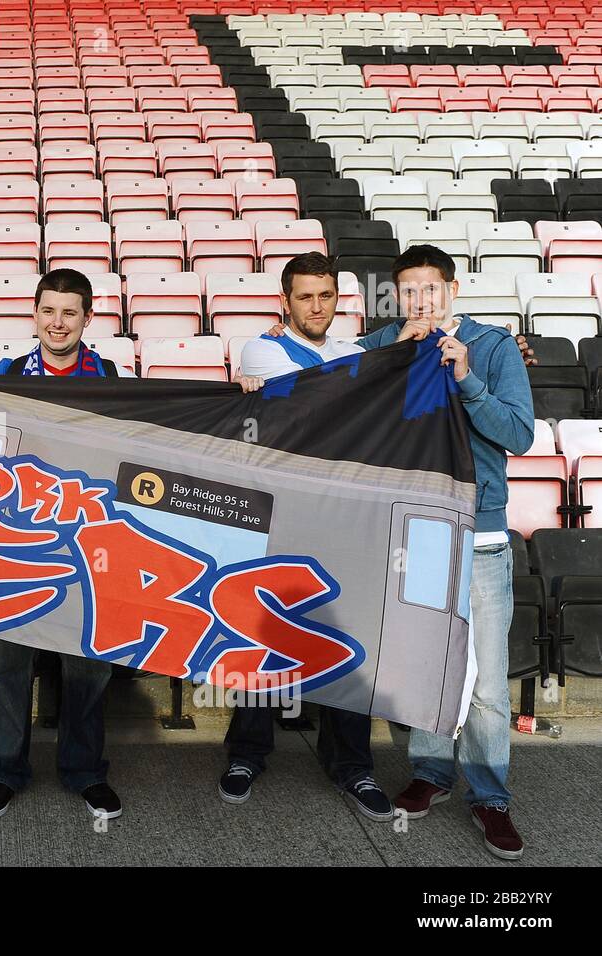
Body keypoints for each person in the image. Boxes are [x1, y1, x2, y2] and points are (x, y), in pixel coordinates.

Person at [358, 244, 533, 860]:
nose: (420, 301)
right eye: (408, 291)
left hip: (481, 536)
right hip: (420, 532)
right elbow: (335, 388)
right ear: (398, 296)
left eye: (430, 289)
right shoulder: (387, 341)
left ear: (452, 291)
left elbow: (519, 432)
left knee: (486, 681)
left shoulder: (492, 346)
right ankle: (431, 774)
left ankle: (490, 796)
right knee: (430, 665)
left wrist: (466, 379)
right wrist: (395, 353)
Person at [222, 253, 394, 821]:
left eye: (325, 297)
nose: (316, 307)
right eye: (305, 297)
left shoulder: (352, 352)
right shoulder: (262, 350)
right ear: (285, 301)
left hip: (346, 512)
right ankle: (248, 751)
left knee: (350, 632)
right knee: (262, 629)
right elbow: (313, 401)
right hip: (281, 510)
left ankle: (352, 764)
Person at [0, 268, 125, 823]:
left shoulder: (110, 376)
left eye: (70, 312)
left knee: (88, 664)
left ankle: (85, 770)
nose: (57, 323)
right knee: (11, 662)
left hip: (87, 544)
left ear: (88, 318)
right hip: (17, 542)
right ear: (34, 314)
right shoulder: (7, 374)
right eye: (48, 311)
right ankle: (5, 770)